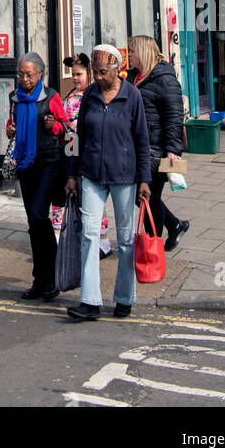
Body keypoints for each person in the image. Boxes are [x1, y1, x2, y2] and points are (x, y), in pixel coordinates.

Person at [65, 44, 151, 321]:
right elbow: (77, 138)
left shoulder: (132, 95)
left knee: (125, 239)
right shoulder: (89, 94)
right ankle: (90, 301)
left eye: (103, 72)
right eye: (95, 72)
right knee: (89, 235)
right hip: (91, 174)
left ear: (117, 68)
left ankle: (124, 298)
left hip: (125, 176)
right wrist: (72, 174)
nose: (98, 77)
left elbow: (142, 140)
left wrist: (144, 180)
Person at [6, 52, 69, 301]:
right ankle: (39, 281)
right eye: (21, 74)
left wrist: (51, 125)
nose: (24, 79)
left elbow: (65, 127)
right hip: (25, 164)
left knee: (38, 216)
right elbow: (11, 125)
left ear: (40, 74)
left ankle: (52, 277)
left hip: (48, 163)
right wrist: (10, 130)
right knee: (34, 224)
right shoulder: (14, 98)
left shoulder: (51, 97)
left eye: (29, 74)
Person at [127, 35, 189, 252]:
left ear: (142, 52)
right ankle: (174, 225)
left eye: (132, 51)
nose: (129, 55)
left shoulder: (165, 79)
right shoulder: (133, 76)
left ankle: (153, 248)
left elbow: (174, 116)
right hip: (137, 147)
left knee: (148, 197)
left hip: (156, 149)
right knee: (143, 197)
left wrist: (173, 149)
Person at [62, 54, 112, 258]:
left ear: (89, 74)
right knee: (82, 199)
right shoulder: (71, 96)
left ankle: (103, 241)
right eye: (73, 74)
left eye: (79, 74)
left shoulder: (93, 95)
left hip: (90, 153)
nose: (75, 78)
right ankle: (89, 238)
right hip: (73, 151)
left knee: (94, 199)